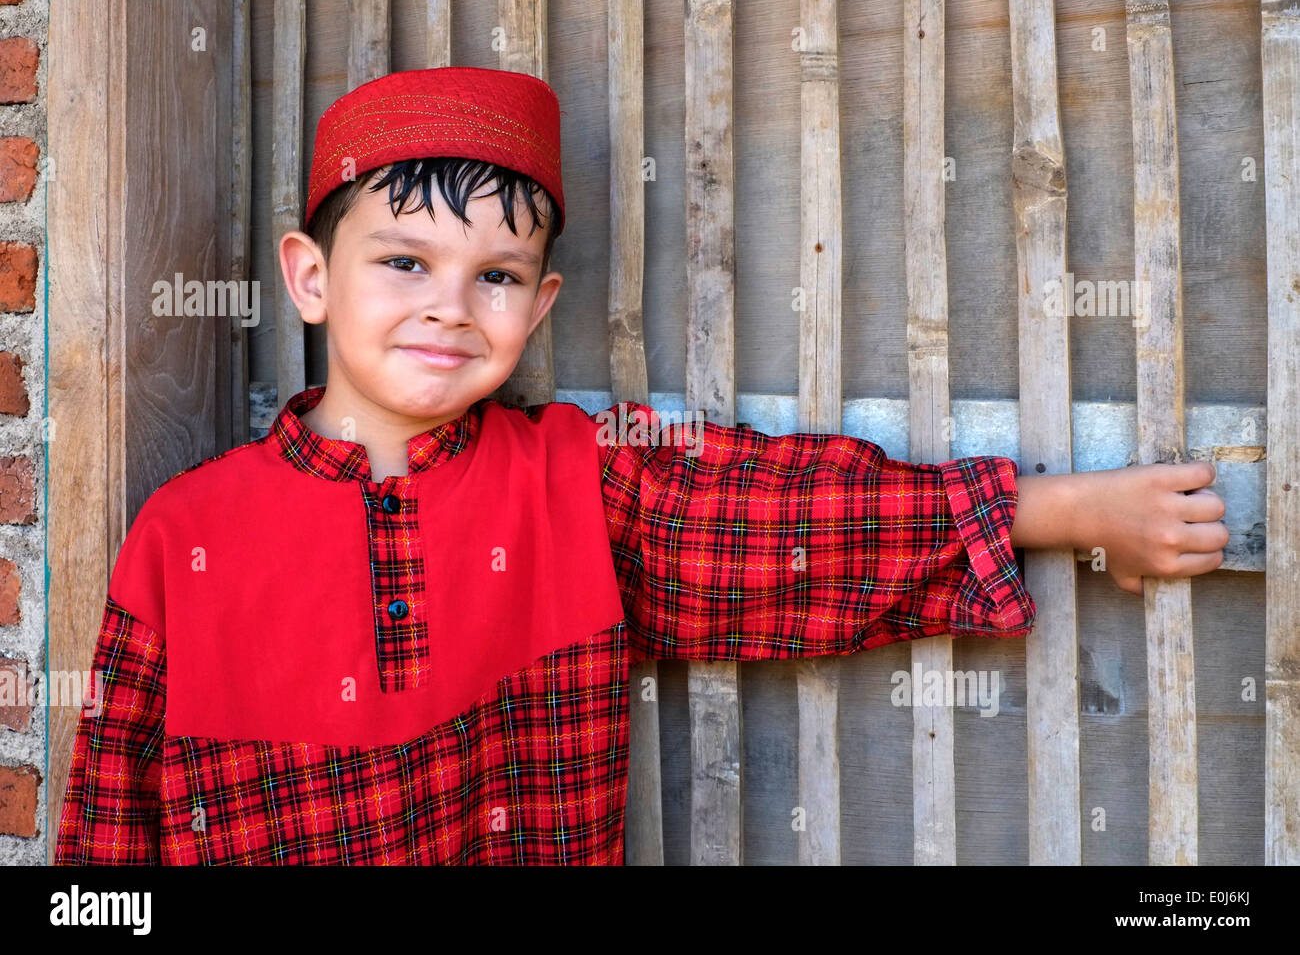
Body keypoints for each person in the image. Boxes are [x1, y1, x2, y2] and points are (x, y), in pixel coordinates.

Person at [52, 66, 1228, 865]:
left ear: (539, 301)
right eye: (403, 262)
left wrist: (1071, 507)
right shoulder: (184, 534)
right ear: (309, 276)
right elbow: (106, 833)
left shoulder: (580, 479)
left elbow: (794, 524)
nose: (450, 307)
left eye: (496, 275)